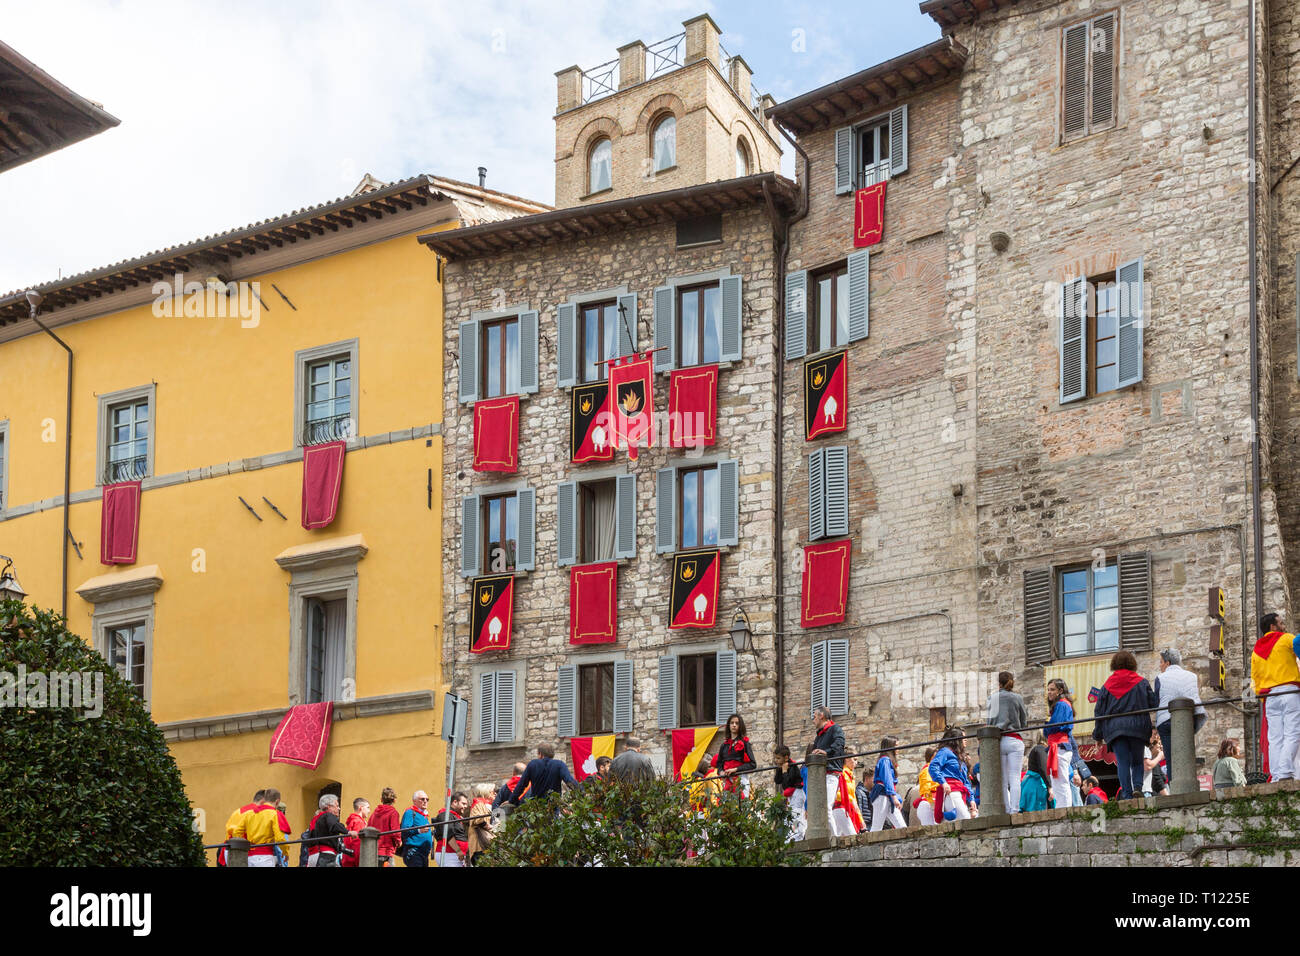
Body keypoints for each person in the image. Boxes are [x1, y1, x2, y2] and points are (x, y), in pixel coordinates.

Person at [1090, 650, 1157, 800]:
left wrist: (1098, 736)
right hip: (1138, 727)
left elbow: (1099, 712)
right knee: (1137, 761)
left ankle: (1126, 794)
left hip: (1115, 730)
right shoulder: (1141, 682)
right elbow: (1153, 703)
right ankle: (1138, 788)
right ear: (1132, 663)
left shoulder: (1107, 685)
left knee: (1123, 763)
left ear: (1114, 664)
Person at [1251, 612, 1300, 781]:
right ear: (1273, 626)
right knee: (1293, 733)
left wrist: (1263, 697)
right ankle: (1286, 771)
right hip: (1289, 691)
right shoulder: (1286, 639)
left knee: (1275, 738)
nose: (1283, 626)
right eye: (1281, 623)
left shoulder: (1256, 651)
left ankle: (1277, 775)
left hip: (1270, 696)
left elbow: (1255, 679)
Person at [1153, 648, 1206, 781]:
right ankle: (1189, 783)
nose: (1160, 666)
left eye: (1161, 662)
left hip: (1166, 720)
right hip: (1188, 719)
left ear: (1167, 662)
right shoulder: (1192, 676)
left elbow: (1156, 701)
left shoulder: (1160, 678)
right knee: (1186, 754)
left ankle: (1173, 784)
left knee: (1171, 757)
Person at [810, 705, 846, 836]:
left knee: (826, 807)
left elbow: (839, 745)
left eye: (814, 717)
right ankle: (829, 837)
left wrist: (826, 752)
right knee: (821, 807)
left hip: (831, 773)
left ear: (821, 716)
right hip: (820, 774)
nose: (813, 720)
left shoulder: (835, 729)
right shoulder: (819, 736)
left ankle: (834, 838)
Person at [928, 728, 978, 821]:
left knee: (964, 820)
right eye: (963, 737)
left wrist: (971, 799)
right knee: (965, 820)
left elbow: (966, 780)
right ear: (957, 739)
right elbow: (933, 767)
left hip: (960, 792)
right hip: (951, 791)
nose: (966, 739)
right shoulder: (945, 751)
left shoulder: (960, 757)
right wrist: (943, 782)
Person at [233, 788, 287, 867]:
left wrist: (244, 847)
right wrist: (285, 852)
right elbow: (280, 839)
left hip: (249, 857)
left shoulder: (249, 813)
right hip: (265, 856)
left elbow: (236, 832)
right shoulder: (274, 814)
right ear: (277, 801)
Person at [1044, 679, 1076, 809]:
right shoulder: (1063, 705)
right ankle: (1062, 807)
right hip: (1057, 746)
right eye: (1048, 689)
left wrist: (1046, 727)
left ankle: (1065, 808)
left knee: (1061, 780)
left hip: (1059, 746)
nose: (1049, 692)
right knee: (1057, 780)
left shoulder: (1062, 705)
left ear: (1060, 691)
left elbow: (1054, 726)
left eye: (1052, 689)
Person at [511, 743, 579, 801]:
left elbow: (522, 784)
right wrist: (582, 793)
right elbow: (570, 781)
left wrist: (512, 800)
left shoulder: (533, 764)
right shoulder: (560, 765)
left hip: (537, 806)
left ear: (540, 754)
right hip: (553, 806)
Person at [712, 713, 757, 796]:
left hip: (740, 779)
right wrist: (721, 772)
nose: (734, 725)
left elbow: (753, 764)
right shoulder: (724, 745)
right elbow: (719, 764)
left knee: (741, 806)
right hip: (727, 781)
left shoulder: (745, 743)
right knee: (727, 806)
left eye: (737, 723)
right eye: (732, 723)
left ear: (740, 726)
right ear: (729, 725)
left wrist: (735, 769)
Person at [867, 736, 906, 832]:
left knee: (902, 826)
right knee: (877, 827)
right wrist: (894, 797)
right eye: (896, 746)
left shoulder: (885, 760)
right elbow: (887, 779)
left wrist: (894, 797)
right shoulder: (885, 760)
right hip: (882, 795)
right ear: (890, 746)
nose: (898, 748)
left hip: (886, 795)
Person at [219, 789, 266, 866]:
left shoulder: (238, 811)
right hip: (244, 852)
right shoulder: (257, 813)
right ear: (262, 801)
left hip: (228, 849)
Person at [307, 794, 355, 867]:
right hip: (325, 855)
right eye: (337, 806)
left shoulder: (315, 818)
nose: (339, 808)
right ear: (329, 807)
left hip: (312, 857)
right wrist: (348, 832)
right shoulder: (328, 815)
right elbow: (334, 825)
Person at [432, 792, 469, 867]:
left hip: (453, 854)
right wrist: (458, 851)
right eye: (463, 804)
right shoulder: (446, 814)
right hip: (449, 854)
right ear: (455, 802)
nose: (465, 806)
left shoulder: (453, 815)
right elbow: (448, 834)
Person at [367, 787, 402, 867]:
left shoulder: (374, 814)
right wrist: (399, 842)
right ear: (394, 800)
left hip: (373, 851)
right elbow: (395, 832)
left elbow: (369, 829)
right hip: (386, 852)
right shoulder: (393, 813)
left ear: (381, 799)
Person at [832, 754, 865, 835]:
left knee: (839, 836)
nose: (856, 763)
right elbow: (836, 793)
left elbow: (853, 798)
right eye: (854, 759)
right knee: (851, 835)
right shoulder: (842, 773)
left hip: (845, 808)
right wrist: (851, 800)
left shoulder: (850, 775)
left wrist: (860, 820)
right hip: (840, 807)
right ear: (846, 759)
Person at [399, 791, 433, 868]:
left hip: (424, 853)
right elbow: (404, 830)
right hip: (414, 851)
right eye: (422, 799)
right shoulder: (410, 812)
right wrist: (419, 830)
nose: (425, 801)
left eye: (427, 799)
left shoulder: (424, 815)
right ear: (414, 801)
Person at [466, 784, 495, 865]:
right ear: (486, 793)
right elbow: (478, 819)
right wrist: (489, 826)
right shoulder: (478, 803)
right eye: (492, 792)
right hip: (479, 846)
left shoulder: (482, 804)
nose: (494, 793)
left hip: (482, 845)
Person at [340, 797, 370, 867]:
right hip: (354, 861)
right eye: (368, 807)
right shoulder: (359, 822)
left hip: (347, 860)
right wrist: (360, 863)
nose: (369, 810)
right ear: (361, 808)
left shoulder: (352, 821)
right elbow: (357, 844)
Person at [913, 746, 938, 826]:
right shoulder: (927, 770)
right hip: (928, 805)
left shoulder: (935, 770)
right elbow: (926, 788)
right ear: (930, 757)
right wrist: (931, 803)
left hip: (933, 804)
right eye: (935, 757)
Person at [1019, 746, 1050, 812]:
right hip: (1038, 787)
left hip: (1028, 786)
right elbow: (1043, 768)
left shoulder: (1026, 779)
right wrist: (1050, 786)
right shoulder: (1041, 749)